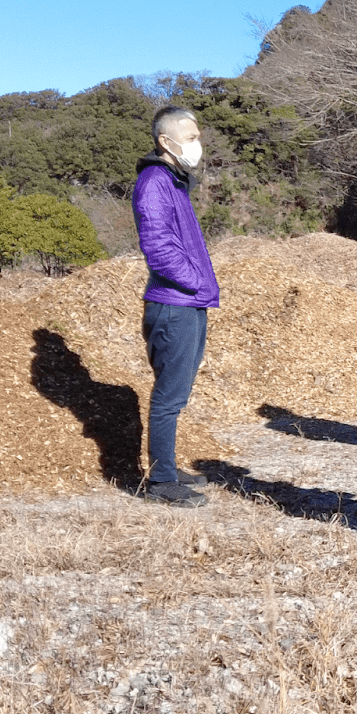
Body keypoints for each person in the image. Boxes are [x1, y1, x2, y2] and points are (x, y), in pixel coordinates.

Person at [134, 105, 219, 508]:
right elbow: (159, 249)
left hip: (187, 302)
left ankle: (165, 465)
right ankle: (162, 482)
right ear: (165, 141)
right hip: (173, 304)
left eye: (198, 136)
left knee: (177, 393)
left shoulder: (173, 180)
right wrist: (196, 280)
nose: (196, 143)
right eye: (189, 137)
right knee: (168, 397)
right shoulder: (154, 181)